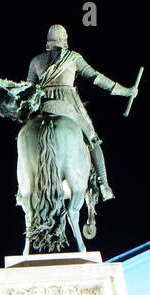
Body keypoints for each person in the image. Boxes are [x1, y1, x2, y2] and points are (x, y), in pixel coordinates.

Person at [26, 24, 137, 200]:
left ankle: (22, 188)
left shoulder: (36, 60)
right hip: (68, 104)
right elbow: (96, 77)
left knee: (26, 137)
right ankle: (104, 184)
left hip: (43, 105)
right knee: (93, 139)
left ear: (48, 41)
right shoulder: (73, 57)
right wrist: (125, 91)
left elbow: (29, 89)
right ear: (64, 41)